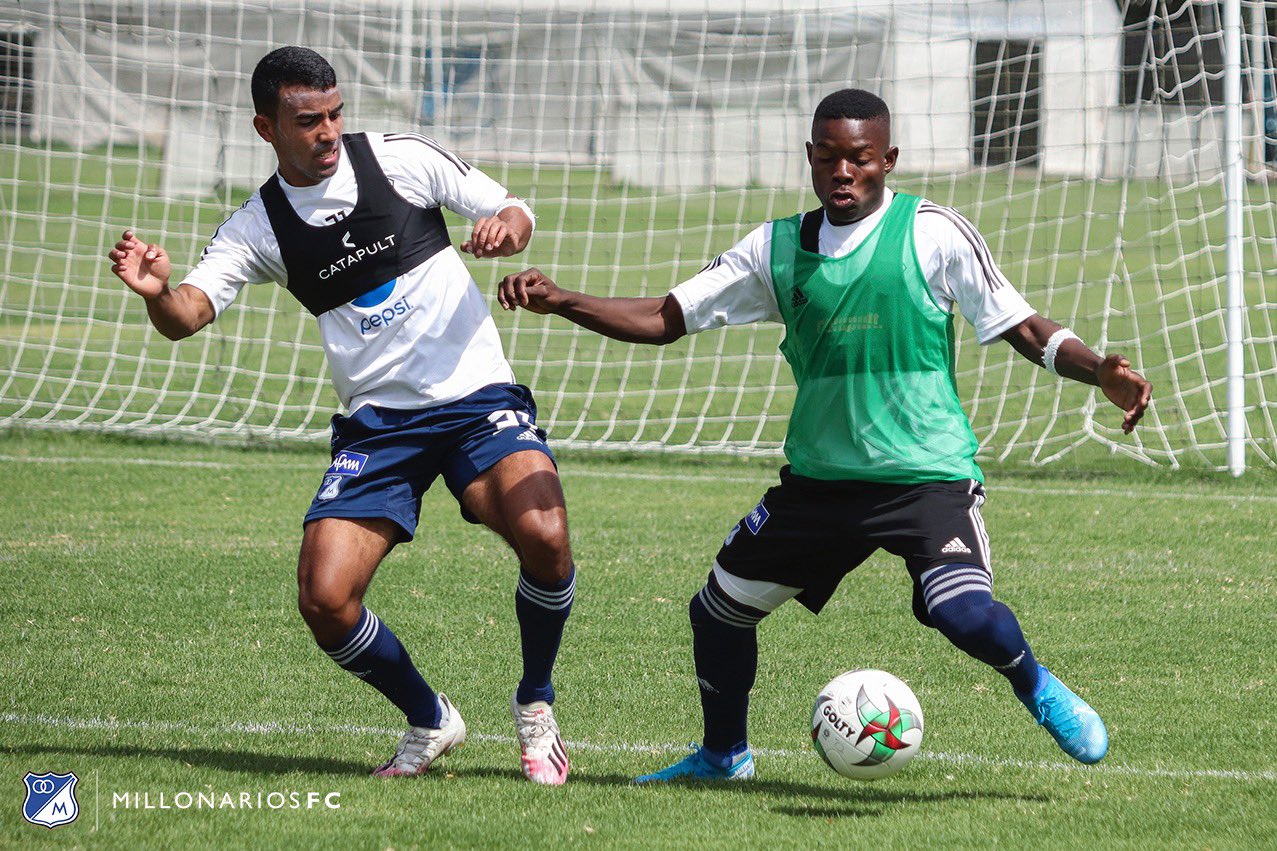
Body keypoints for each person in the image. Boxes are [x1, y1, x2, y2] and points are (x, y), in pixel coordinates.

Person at [497, 88, 1152, 782]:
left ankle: (1034, 684)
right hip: (819, 484)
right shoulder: (774, 247)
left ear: (887, 160)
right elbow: (667, 316)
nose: (843, 172)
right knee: (717, 611)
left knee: (957, 611)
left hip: (923, 477)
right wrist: (561, 298)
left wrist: (1095, 370)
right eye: (829, 158)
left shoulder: (933, 233)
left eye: (860, 160)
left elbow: (1022, 326)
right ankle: (723, 756)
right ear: (810, 157)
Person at [108, 46, 575, 785]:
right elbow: (187, 313)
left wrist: (504, 230)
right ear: (267, 128)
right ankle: (430, 716)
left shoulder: (397, 159)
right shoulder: (258, 224)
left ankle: (536, 703)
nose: (326, 131)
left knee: (544, 533)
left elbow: (512, 210)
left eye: (333, 114)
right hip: (379, 428)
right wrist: (157, 290)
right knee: (325, 600)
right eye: (306, 120)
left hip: (477, 398)